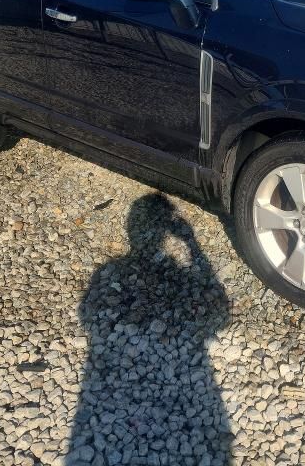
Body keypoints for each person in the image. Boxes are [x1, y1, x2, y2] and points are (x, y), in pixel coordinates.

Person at [68, 193, 232, 465]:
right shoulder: (165, 272)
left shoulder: (109, 272)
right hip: (191, 376)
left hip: (109, 382)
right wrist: (192, 245)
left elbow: (87, 315)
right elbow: (221, 316)